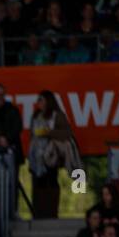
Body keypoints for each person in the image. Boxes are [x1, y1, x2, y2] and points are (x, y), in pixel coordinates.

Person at [27, 90, 80, 219]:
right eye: (38, 100)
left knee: (50, 182)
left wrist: (49, 132)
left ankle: (51, 213)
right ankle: (38, 213)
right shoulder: (35, 115)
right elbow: (32, 133)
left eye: (41, 100)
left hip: (51, 154)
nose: (38, 103)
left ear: (48, 102)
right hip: (36, 154)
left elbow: (67, 133)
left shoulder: (57, 115)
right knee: (37, 183)